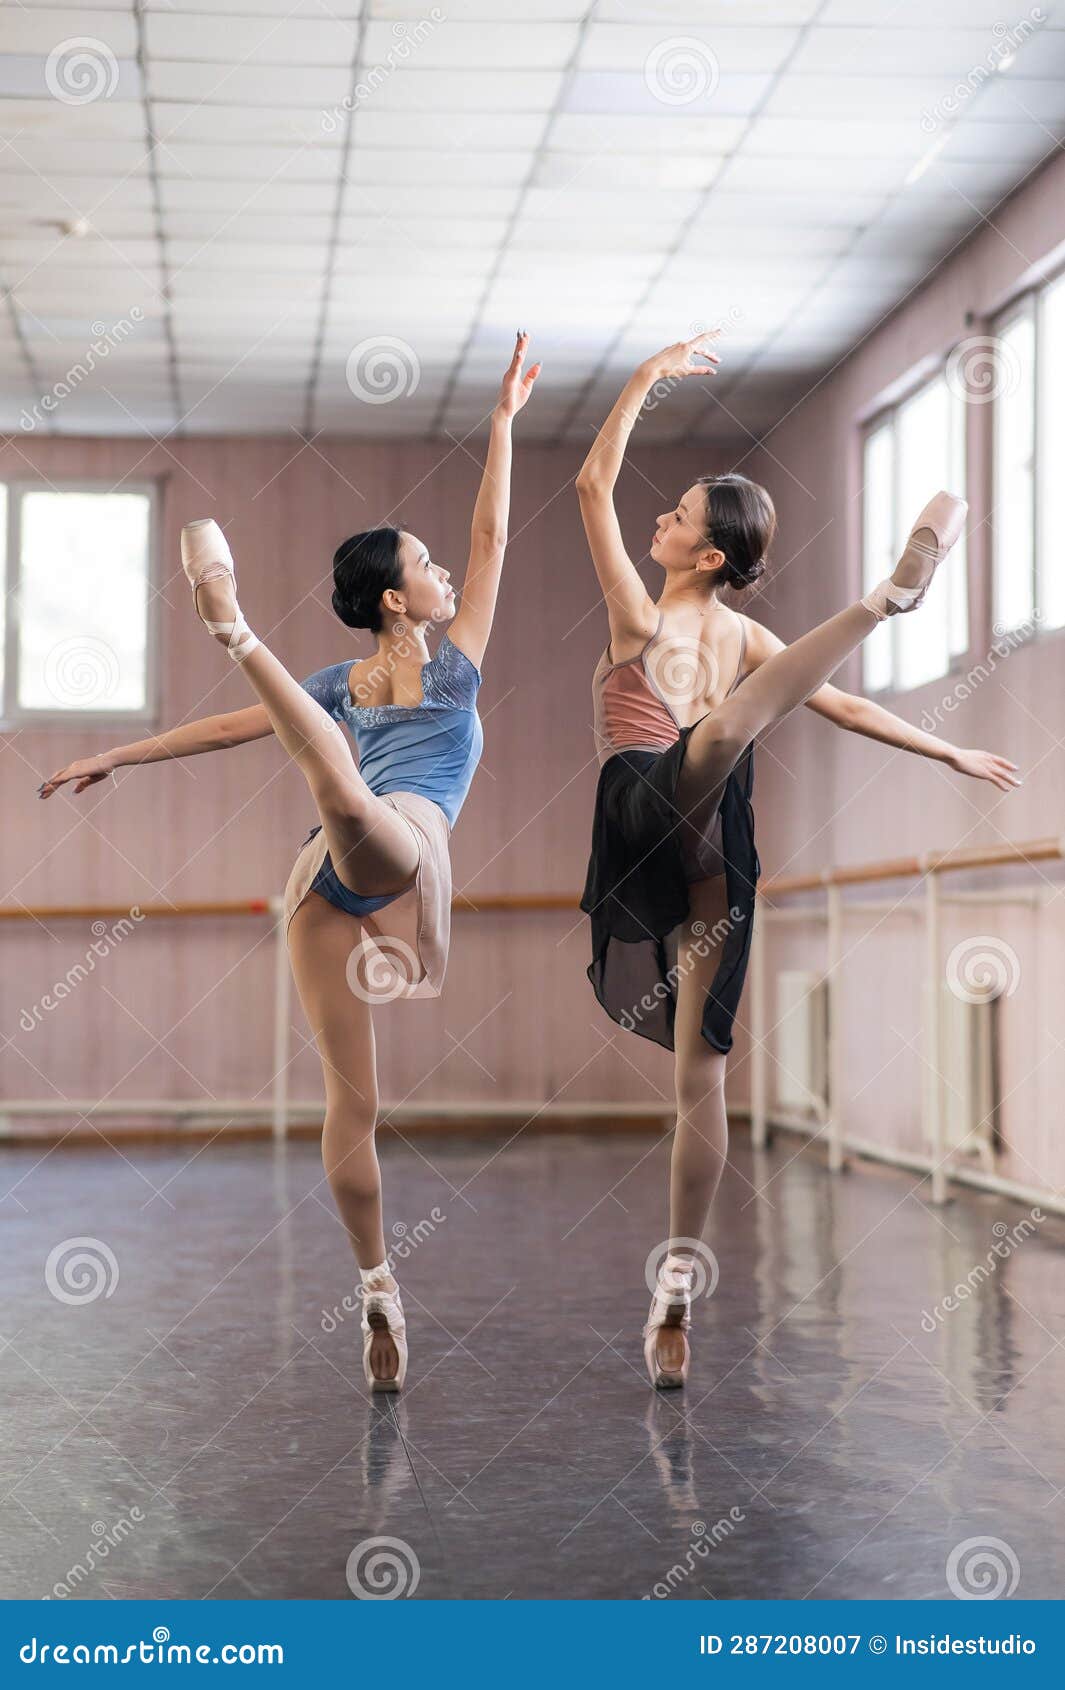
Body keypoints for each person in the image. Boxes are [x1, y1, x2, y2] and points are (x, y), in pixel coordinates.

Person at [39, 332, 541, 1393]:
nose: (448, 569)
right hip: (339, 867)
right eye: (426, 564)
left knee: (347, 791)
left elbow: (493, 532)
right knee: (347, 1097)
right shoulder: (379, 674)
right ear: (396, 600)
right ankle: (377, 1292)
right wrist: (117, 755)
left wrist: (502, 420)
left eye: (439, 559)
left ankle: (235, 631)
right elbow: (225, 733)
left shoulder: (443, 669)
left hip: (380, 848)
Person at [575, 332, 1020, 1389]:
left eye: (676, 515)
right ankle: (879, 604)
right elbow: (596, 486)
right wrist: (644, 374)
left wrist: (946, 744)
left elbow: (850, 705)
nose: (657, 518)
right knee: (723, 735)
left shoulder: (730, 634)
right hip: (646, 803)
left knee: (704, 1079)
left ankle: (675, 1289)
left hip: (711, 839)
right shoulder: (652, 619)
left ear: (708, 556)